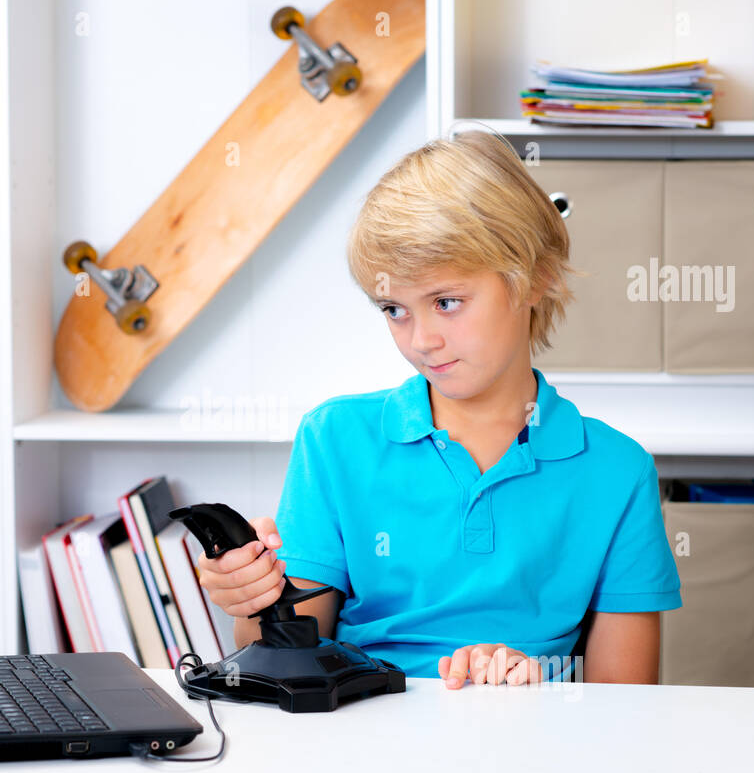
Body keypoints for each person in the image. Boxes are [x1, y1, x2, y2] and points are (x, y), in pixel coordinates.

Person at [195, 130, 682, 688]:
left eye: (446, 302)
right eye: (394, 309)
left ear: (536, 279)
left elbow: (625, 706)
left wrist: (538, 691)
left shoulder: (617, 471)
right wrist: (254, 601)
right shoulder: (334, 440)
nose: (421, 339)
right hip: (362, 736)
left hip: (538, 752)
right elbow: (285, 660)